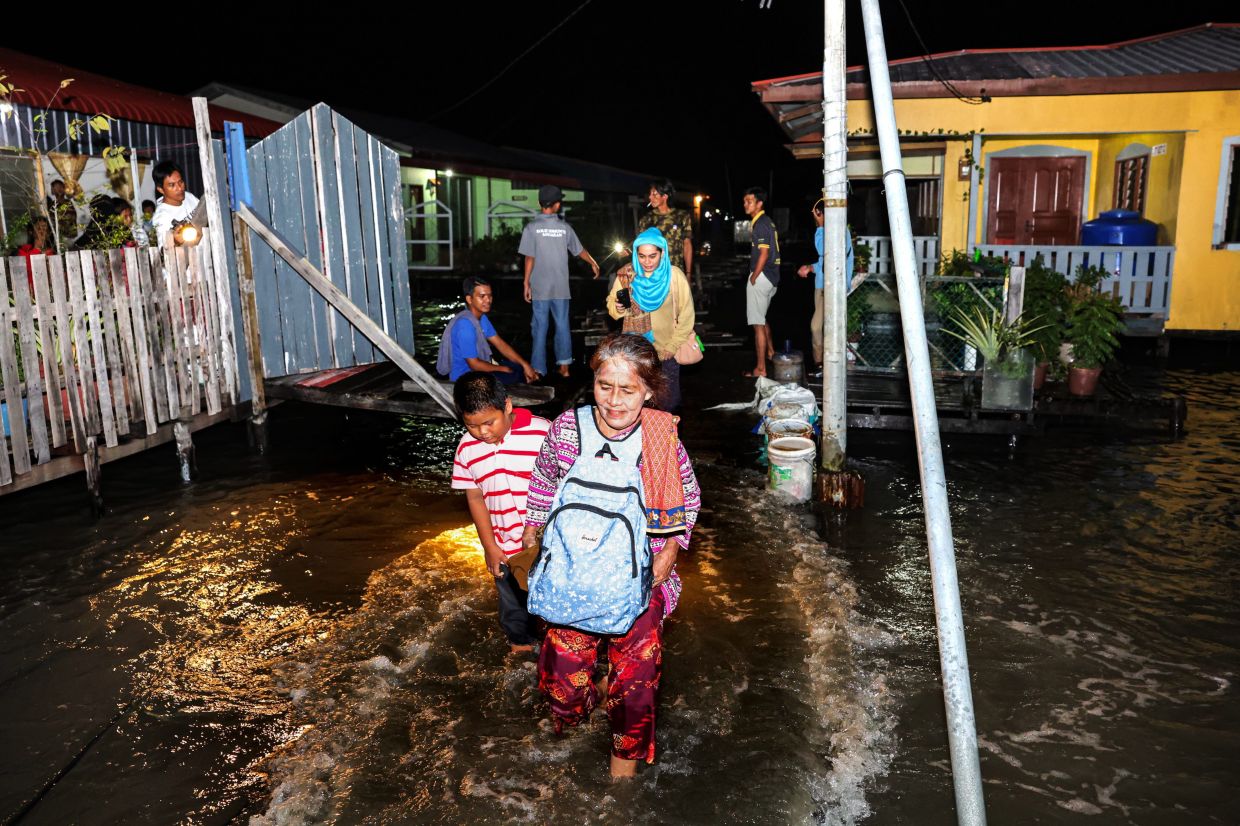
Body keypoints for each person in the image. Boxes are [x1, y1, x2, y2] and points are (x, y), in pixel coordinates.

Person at [523, 333, 701, 779]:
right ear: (594, 382)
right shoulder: (567, 427)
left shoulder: (662, 436)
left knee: (637, 685)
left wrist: (672, 551)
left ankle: (622, 781)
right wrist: (532, 528)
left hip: (642, 576)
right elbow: (545, 478)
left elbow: (690, 499)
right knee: (562, 685)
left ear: (648, 390)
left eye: (628, 390)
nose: (615, 401)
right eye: (606, 386)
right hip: (572, 572)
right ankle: (585, 701)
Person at [451, 372, 551, 655]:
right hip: (504, 547)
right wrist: (489, 546)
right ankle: (519, 649)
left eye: (488, 422)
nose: (482, 432)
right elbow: (475, 497)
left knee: (553, 608)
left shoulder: (543, 433)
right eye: (471, 425)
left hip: (546, 544)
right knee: (512, 606)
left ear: (507, 406)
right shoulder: (466, 448)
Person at [605, 228, 695, 412]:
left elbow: (687, 315)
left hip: (665, 352)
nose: (647, 262)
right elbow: (612, 308)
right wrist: (618, 307)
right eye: (642, 256)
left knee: (667, 407)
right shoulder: (626, 275)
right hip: (635, 354)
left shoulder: (674, 276)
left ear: (663, 253)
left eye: (652, 256)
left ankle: (666, 441)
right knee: (635, 405)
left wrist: (672, 346)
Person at [518, 184, 600, 378]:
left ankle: (538, 369)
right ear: (557, 205)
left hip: (540, 286)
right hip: (561, 287)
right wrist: (593, 262)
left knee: (540, 326)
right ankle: (564, 367)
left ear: (540, 203)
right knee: (562, 324)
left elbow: (529, 257)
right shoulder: (564, 228)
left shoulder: (532, 228)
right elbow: (579, 250)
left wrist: (526, 282)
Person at [436, 276, 539, 384]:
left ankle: (526, 376)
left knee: (519, 367)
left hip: (478, 373)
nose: (488, 300)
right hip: (466, 379)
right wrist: (503, 369)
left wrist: (525, 365)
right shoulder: (465, 325)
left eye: (490, 295)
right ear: (469, 299)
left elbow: (500, 344)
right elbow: (474, 364)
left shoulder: (481, 318)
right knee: (515, 375)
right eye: (482, 296)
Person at [796, 199, 854, 377]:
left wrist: (820, 226)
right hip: (821, 285)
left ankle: (822, 365)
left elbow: (823, 250)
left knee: (816, 327)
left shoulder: (838, 231)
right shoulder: (832, 230)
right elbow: (825, 260)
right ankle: (821, 366)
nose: (816, 217)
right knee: (822, 327)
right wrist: (811, 267)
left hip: (832, 287)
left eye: (818, 215)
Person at [742, 186, 781, 378]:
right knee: (762, 317)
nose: (746, 204)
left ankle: (760, 368)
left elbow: (764, 254)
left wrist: (754, 276)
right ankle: (771, 353)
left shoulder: (761, 224)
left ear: (759, 203)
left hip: (763, 276)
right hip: (772, 277)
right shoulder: (765, 222)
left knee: (757, 323)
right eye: (745, 201)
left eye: (750, 201)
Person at [636, 179, 694, 284]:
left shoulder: (682, 216)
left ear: (665, 196)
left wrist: (688, 273)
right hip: (653, 274)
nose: (650, 197)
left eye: (654, 194)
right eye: (650, 194)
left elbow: (687, 245)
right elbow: (639, 245)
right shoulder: (646, 219)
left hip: (676, 271)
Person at [150, 160, 200, 247]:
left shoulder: (189, 197)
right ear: (161, 189)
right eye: (172, 185)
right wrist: (175, 241)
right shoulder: (161, 218)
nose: (179, 188)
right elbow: (163, 251)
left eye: (180, 182)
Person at [47, 179, 77, 246]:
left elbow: (70, 218)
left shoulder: (68, 203)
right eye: (56, 188)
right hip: (57, 237)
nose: (59, 189)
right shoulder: (51, 204)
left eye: (60, 187)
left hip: (68, 236)